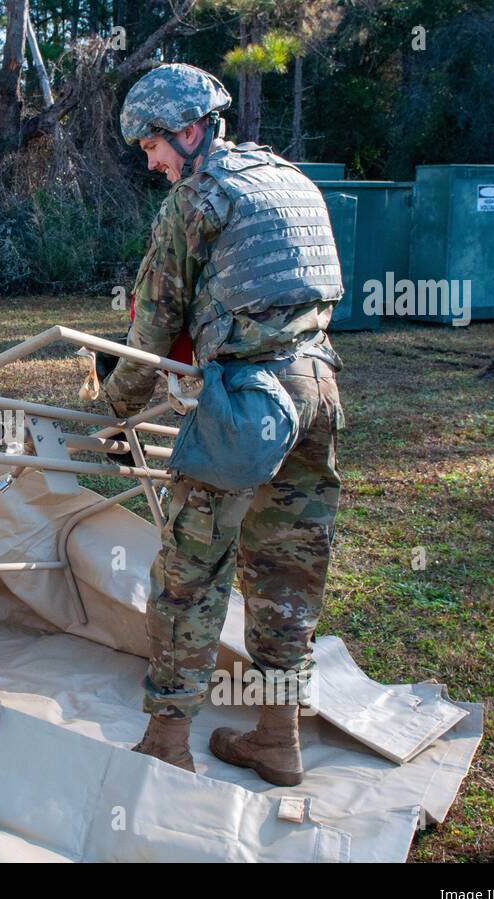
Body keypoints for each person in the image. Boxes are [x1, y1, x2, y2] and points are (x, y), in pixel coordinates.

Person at [101, 63, 347, 785]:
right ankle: (278, 738)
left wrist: (113, 410)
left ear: (189, 129)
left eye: (151, 147)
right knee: (286, 571)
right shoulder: (289, 181)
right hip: (318, 391)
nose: (151, 163)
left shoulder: (196, 201)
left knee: (190, 571)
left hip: (249, 405)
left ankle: (167, 742)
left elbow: (151, 331)